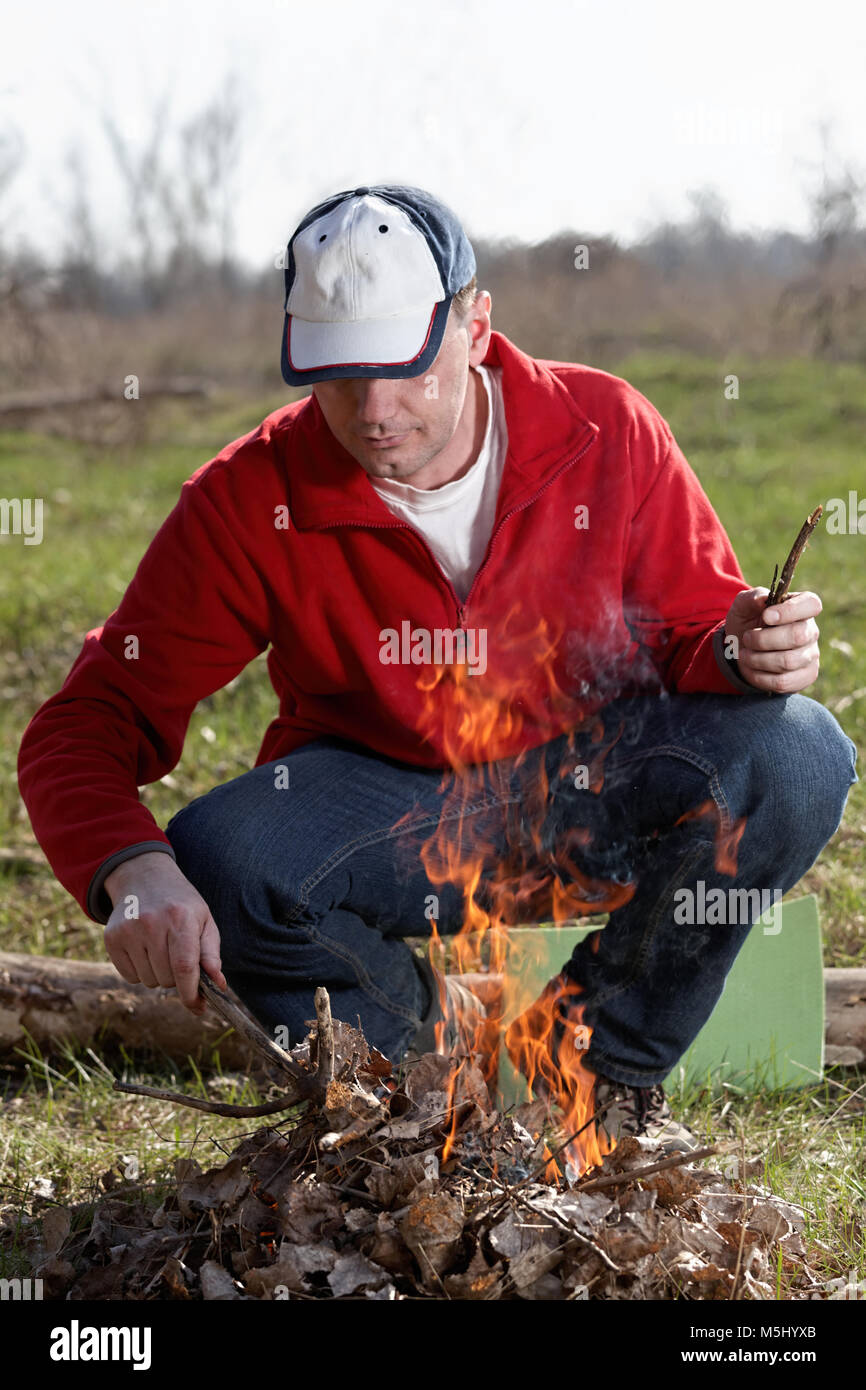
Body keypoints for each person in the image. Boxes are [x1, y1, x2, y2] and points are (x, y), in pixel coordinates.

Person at [18, 185, 857, 1154]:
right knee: (220, 856)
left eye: (403, 366)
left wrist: (738, 649)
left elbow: (688, 627)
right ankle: (410, 1088)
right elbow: (88, 718)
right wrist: (132, 873)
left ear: (473, 324)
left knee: (794, 754)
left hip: (586, 787)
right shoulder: (249, 500)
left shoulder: (603, 429)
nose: (372, 413)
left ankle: (596, 1067)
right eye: (336, 376)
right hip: (388, 813)